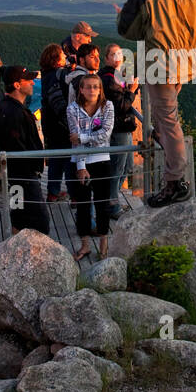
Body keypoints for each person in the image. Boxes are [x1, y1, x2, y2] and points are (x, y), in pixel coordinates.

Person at [117, 0, 196, 207]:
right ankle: (169, 154)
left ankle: (174, 183)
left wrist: (122, 14)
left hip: (160, 64)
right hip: (188, 61)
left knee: (168, 123)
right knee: (165, 117)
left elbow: (126, 29)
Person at [0, 65, 49, 236]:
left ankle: (15, 251)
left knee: (18, 213)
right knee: (40, 220)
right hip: (24, 175)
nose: (33, 82)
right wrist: (34, 165)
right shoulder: (14, 112)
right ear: (17, 85)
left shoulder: (7, 107)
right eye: (28, 80)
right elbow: (16, 143)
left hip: (14, 174)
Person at [67, 73, 115, 260]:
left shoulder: (107, 106)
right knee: (83, 205)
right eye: (88, 86)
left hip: (102, 160)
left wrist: (83, 137)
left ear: (100, 89)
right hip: (80, 162)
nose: (92, 90)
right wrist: (81, 166)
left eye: (96, 87)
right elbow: (74, 138)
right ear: (81, 89)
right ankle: (85, 245)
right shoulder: (72, 109)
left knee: (103, 204)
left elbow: (105, 134)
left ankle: (104, 244)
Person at [100, 43, 140, 217]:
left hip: (124, 127)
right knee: (117, 169)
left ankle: (112, 200)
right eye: (114, 54)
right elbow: (121, 106)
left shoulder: (115, 76)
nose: (118, 57)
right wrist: (131, 90)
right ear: (107, 58)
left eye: (120, 54)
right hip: (118, 128)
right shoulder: (109, 79)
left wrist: (130, 89)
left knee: (126, 166)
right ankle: (112, 206)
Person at [39, 43, 75, 202]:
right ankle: (75, 195)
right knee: (69, 160)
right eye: (62, 55)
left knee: (55, 159)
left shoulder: (46, 75)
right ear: (56, 59)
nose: (65, 57)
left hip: (50, 124)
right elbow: (59, 103)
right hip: (61, 125)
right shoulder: (56, 76)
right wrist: (70, 123)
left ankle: (53, 192)